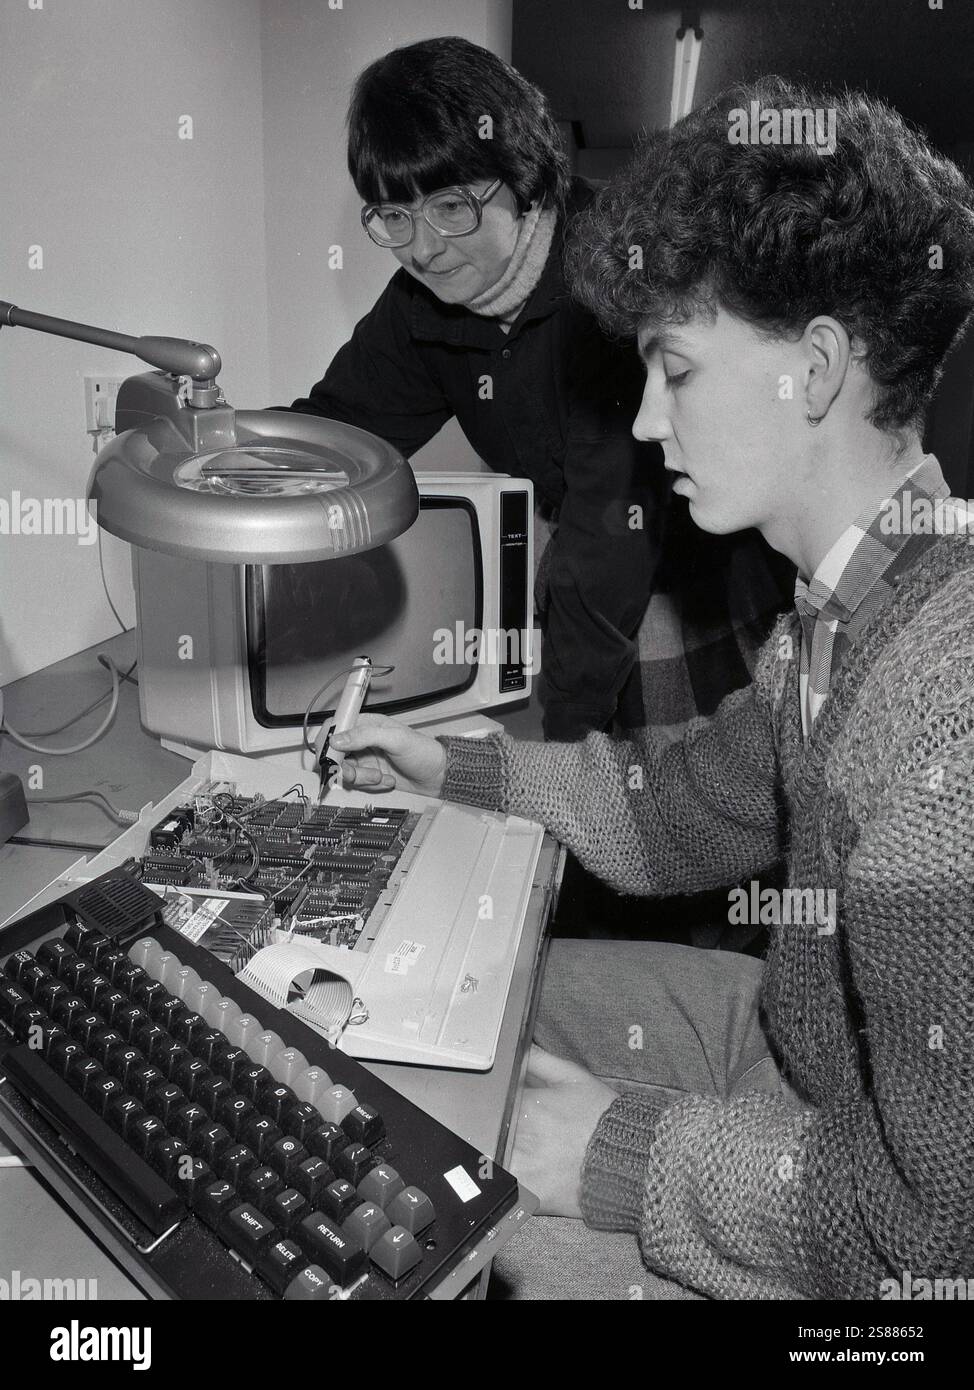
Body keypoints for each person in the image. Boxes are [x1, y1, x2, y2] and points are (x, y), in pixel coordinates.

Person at [326, 75, 974, 1299]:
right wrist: (460, 765)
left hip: (868, 1202)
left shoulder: (946, 714)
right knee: (427, 1030)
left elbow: (929, 1237)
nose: (641, 418)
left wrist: (621, 1149)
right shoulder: (845, 603)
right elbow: (685, 804)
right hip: (800, 1053)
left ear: (815, 371)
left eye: (671, 369)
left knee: (436, 1224)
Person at [279, 36, 794, 744]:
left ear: (522, 178)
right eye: (393, 216)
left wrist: (564, 749)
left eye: (452, 207)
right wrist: (214, 453)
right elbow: (334, 434)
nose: (422, 247)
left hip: (693, 581)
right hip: (588, 582)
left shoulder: (610, 279)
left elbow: (609, 529)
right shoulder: (419, 305)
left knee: (683, 818)